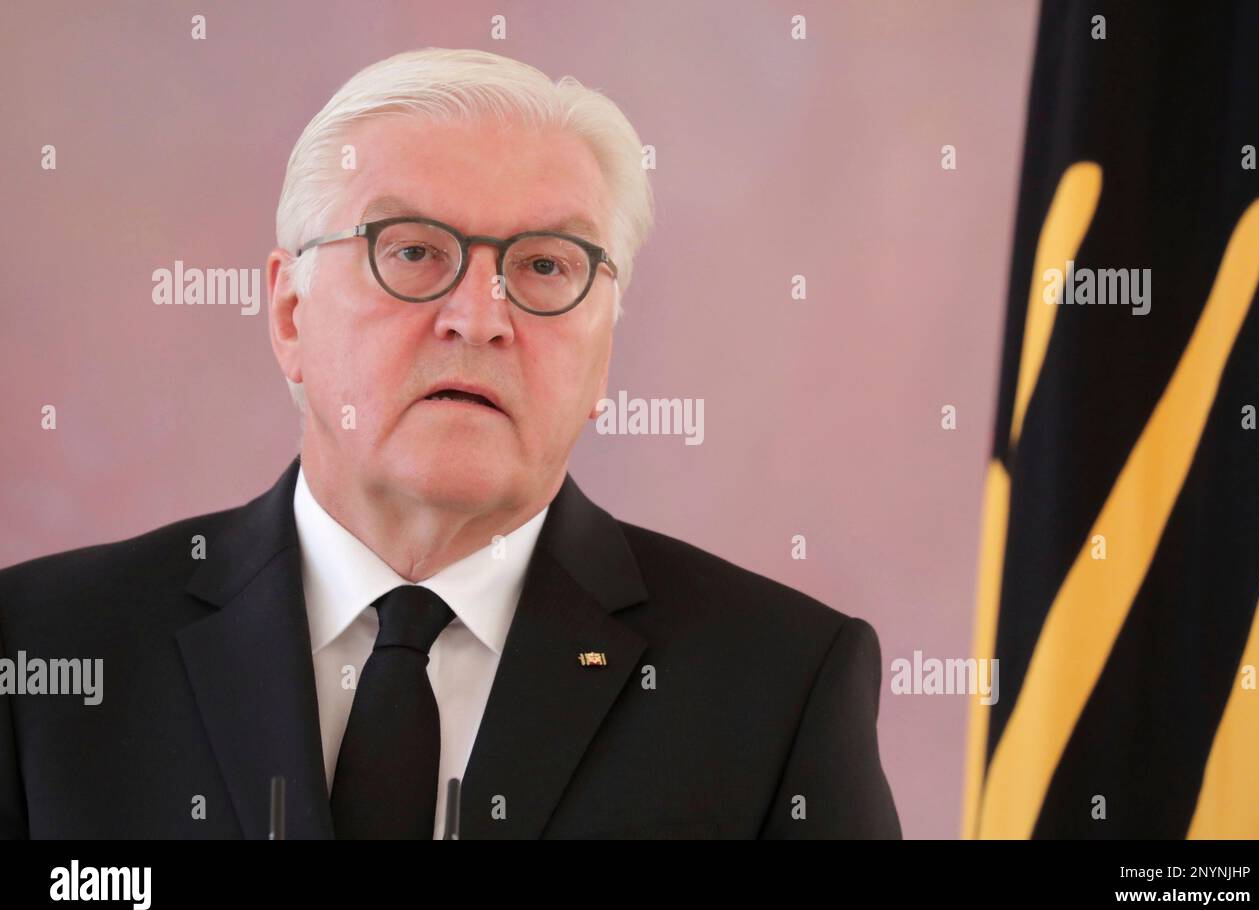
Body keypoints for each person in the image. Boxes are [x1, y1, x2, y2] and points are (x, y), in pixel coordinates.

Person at [0, 47, 901, 839]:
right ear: (288, 314)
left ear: (604, 352)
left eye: (546, 265)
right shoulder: (43, 650)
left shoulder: (779, 687)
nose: (480, 319)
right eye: (414, 250)